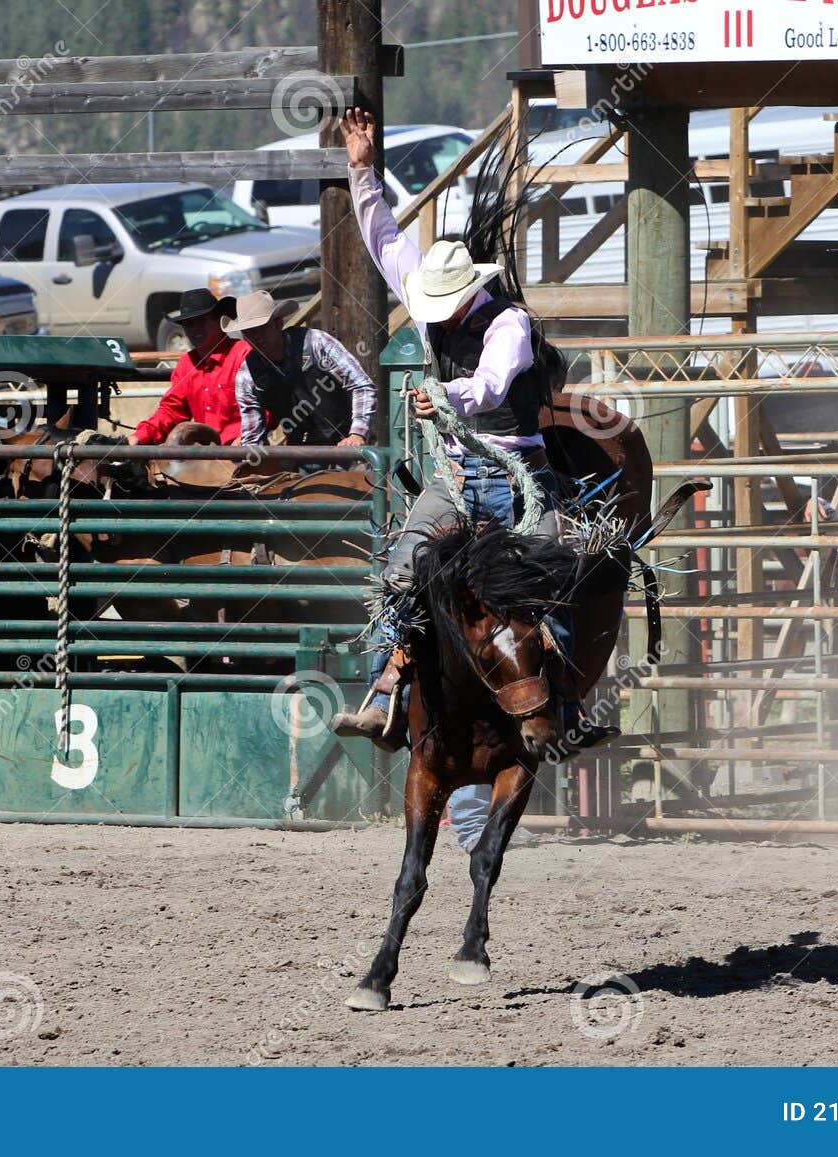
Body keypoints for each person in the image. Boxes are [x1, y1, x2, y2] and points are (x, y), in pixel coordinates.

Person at [327, 107, 613, 852]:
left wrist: (442, 398)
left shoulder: (509, 324)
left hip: (520, 485)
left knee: (548, 583)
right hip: (457, 480)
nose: (435, 316)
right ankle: (388, 692)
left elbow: (489, 387)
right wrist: (361, 167)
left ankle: (569, 709)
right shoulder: (431, 296)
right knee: (400, 573)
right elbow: (384, 237)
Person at [228, 291, 375, 450]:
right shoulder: (247, 374)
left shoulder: (316, 343)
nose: (256, 336)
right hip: (300, 450)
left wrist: (357, 434)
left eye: (261, 327)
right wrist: (252, 455)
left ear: (278, 323)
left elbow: (361, 385)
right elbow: (252, 433)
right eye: (249, 331)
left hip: (348, 442)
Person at [128, 289, 248, 446]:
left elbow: (265, 405)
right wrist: (139, 436)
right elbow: (171, 411)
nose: (195, 329)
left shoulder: (243, 354)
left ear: (219, 320)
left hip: (246, 452)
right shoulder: (187, 364)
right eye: (189, 323)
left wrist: (247, 438)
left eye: (202, 321)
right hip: (206, 457)